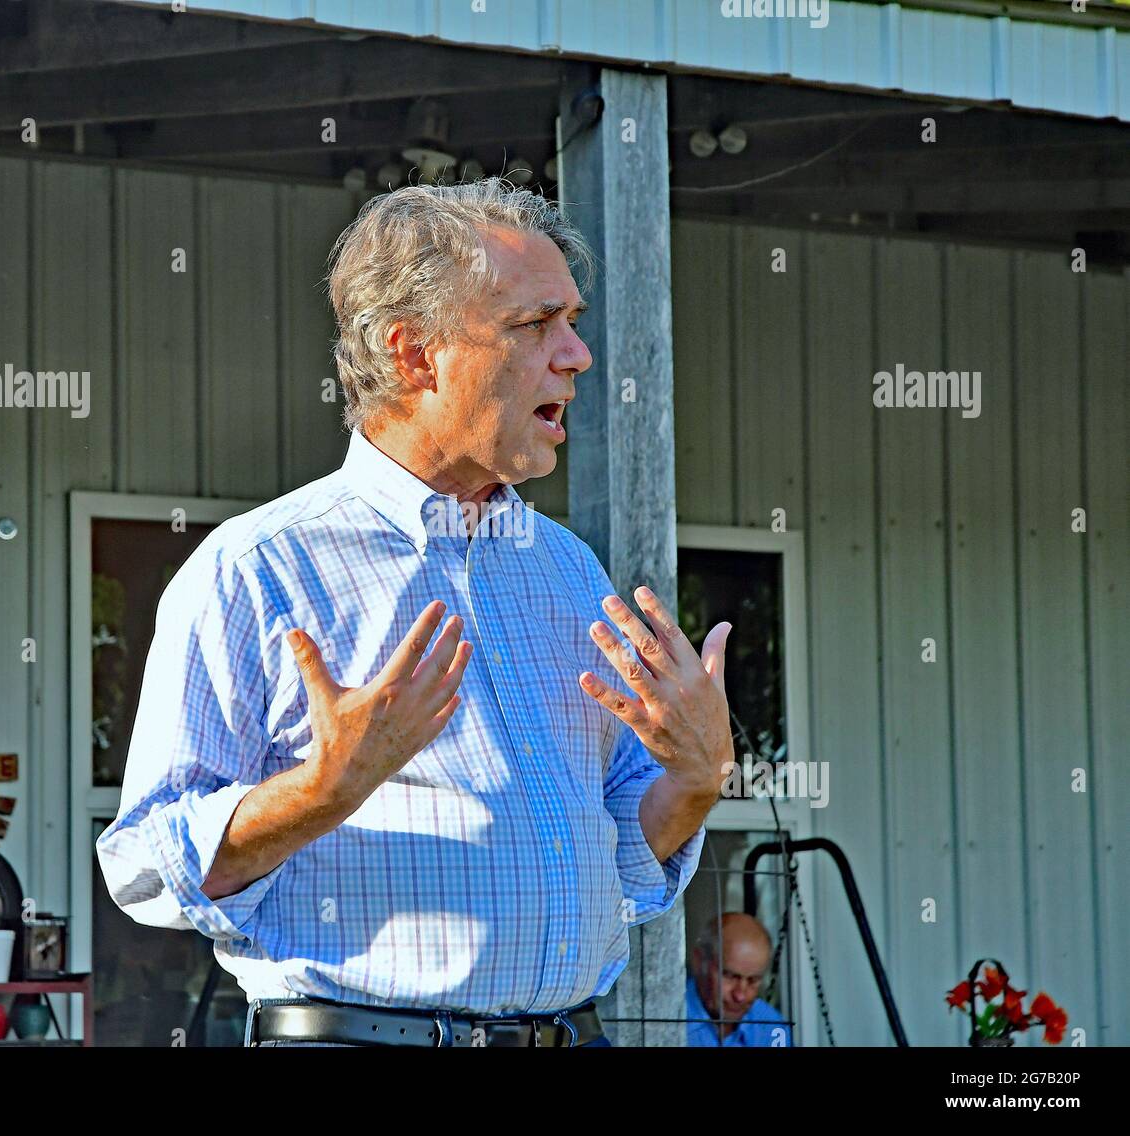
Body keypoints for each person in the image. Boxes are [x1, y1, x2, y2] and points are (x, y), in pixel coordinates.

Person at [96, 177, 736, 1047]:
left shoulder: (569, 571)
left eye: (573, 320)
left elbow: (620, 854)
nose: (578, 355)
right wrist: (322, 792)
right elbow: (145, 867)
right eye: (533, 324)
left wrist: (693, 780)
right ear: (414, 354)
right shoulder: (259, 569)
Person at [687, 913, 792, 1047]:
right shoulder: (668, 1014)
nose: (740, 996)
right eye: (729, 976)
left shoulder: (770, 1025)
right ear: (699, 961)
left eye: (753, 980)